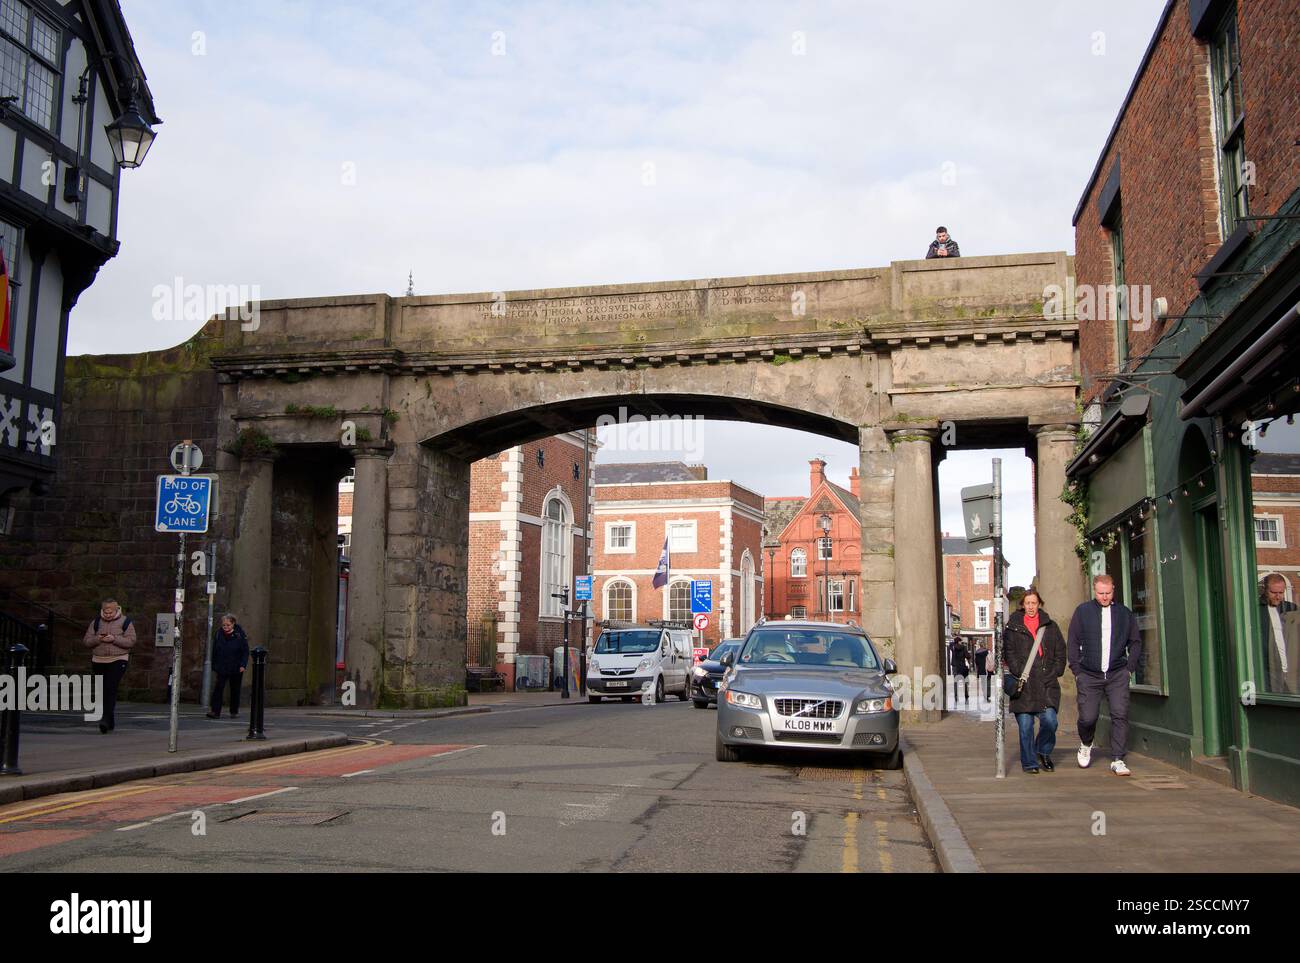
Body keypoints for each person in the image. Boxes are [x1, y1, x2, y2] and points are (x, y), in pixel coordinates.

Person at [1068, 573, 1142, 776]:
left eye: (1108, 593)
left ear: (1113, 590)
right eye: (1101, 593)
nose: (1104, 597)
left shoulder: (1124, 614)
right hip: (1089, 674)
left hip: (1118, 673)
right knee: (1088, 717)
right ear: (1095, 591)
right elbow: (1073, 641)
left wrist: (1129, 669)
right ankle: (1086, 743)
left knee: (1120, 714)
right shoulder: (1082, 611)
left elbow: (1135, 642)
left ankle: (1118, 758)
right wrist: (1076, 670)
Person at [1003, 588, 1066, 773]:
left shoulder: (1051, 626)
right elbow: (1009, 652)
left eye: (1034, 603)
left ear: (1039, 604)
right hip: (1023, 684)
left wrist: (1054, 671)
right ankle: (1030, 763)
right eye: (1027, 603)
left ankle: (1043, 750)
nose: (1031, 606)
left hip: (1046, 684)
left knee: (1050, 721)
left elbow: (1061, 652)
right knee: (1025, 727)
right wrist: (1018, 670)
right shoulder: (1013, 627)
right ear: (1023, 605)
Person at [81, 598, 136, 734]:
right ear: (102, 610)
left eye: (110, 612)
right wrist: (98, 638)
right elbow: (87, 641)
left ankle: (105, 719)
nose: (108, 615)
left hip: (118, 659)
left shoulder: (126, 622)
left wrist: (114, 639)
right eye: (106, 612)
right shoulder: (96, 622)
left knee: (110, 687)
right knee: (103, 690)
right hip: (98, 660)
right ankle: (109, 721)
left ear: (117, 609)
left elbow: (131, 641)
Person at [1259, 574, 1298, 694]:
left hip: (1291, 670)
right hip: (1267, 669)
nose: (1278, 597)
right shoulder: (1256, 610)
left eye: (1281, 592)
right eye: (1273, 592)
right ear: (1265, 590)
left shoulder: (1291, 608)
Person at [207, 613, 250, 718]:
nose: (226, 627)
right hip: (222, 665)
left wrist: (243, 665)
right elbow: (215, 650)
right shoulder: (218, 634)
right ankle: (215, 711)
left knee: (235, 689)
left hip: (236, 666)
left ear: (233, 624)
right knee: (218, 688)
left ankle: (234, 711)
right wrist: (215, 664)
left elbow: (245, 651)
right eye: (224, 625)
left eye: (228, 625)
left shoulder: (239, 635)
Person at [950, 638, 970, 706]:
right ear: (959, 641)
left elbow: (950, 644)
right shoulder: (963, 647)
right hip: (962, 666)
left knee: (955, 682)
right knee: (965, 682)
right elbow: (968, 656)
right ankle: (966, 696)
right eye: (960, 641)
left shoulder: (952, 647)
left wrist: (955, 642)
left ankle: (956, 697)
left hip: (955, 666)